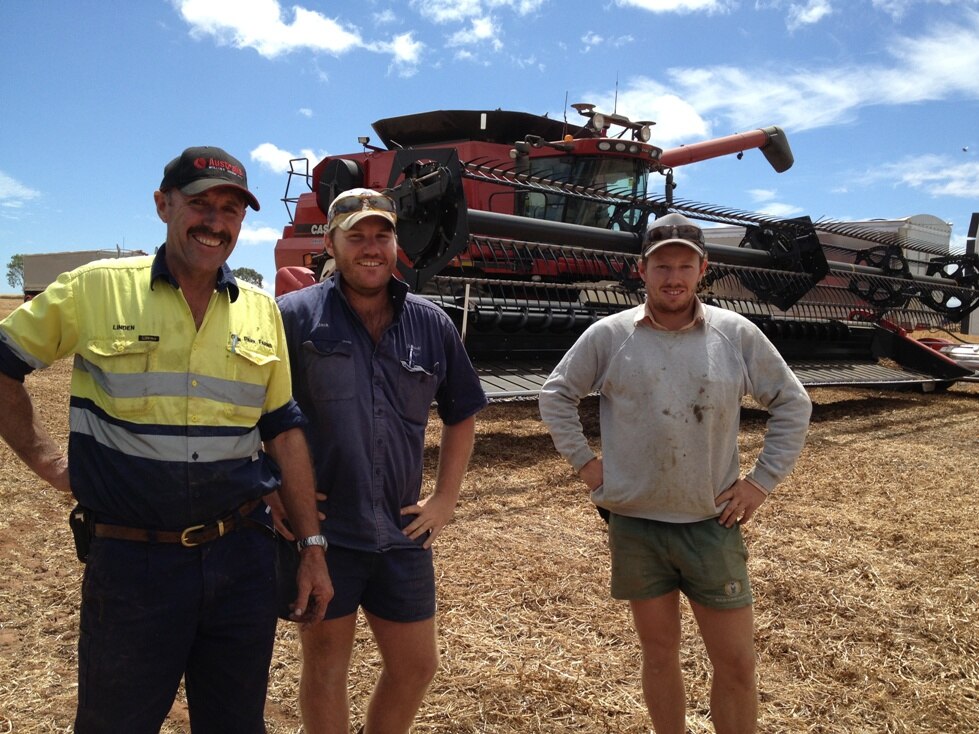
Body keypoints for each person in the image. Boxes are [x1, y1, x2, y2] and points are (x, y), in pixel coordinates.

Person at [0, 146, 333, 732]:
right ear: (164, 205)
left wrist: (311, 547)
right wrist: (49, 462)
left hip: (241, 559)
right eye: (201, 203)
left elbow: (282, 430)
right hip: (134, 564)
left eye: (231, 210)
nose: (215, 222)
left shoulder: (261, 311)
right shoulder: (97, 289)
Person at [538, 212, 812, 734]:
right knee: (660, 655)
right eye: (662, 266)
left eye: (685, 266)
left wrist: (760, 483)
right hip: (636, 525)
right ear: (641, 270)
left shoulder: (735, 334)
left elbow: (793, 403)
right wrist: (586, 465)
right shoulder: (611, 335)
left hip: (711, 525)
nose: (673, 277)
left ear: (703, 270)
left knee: (736, 663)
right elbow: (556, 395)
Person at [275, 187, 487, 734]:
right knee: (326, 667)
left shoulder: (431, 323)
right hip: (326, 533)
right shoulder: (294, 317)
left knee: (416, 666)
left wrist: (445, 499)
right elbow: (255, 411)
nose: (371, 248)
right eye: (357, 236)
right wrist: (271, 487)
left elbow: (463, 411)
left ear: (396, 243)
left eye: (382, 235)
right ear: (330, 243)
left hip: (401, 532)